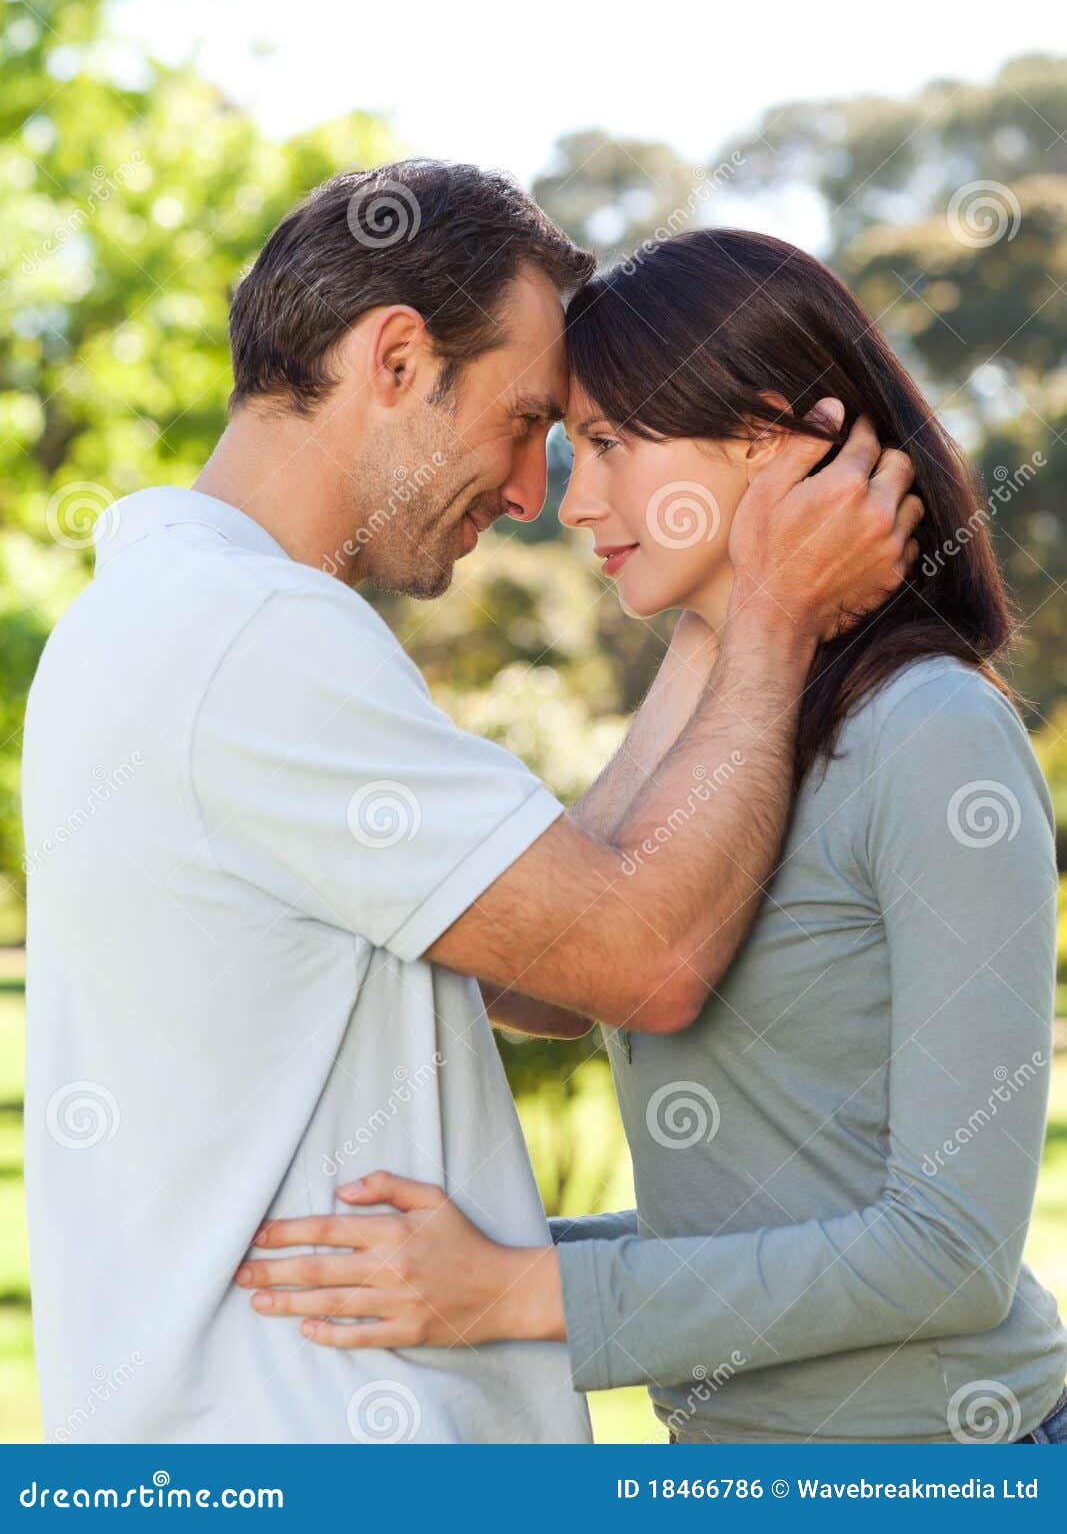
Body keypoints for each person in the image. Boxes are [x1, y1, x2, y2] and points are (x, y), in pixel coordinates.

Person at [23, 170, 914, 1444]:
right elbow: (642, 961)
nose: (527, 490)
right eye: (522, 421)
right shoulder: (258, 639)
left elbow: (550, 967)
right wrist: (773, 613)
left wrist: (713, 611)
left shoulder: (154, 617)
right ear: (393, 357)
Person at [243, 227, 1067, 1447]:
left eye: (613, 447)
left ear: (772, 435)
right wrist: (721, 630)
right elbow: (560, 984)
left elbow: (945, 1254)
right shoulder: (731, 741)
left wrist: (519, 1288)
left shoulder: (932, 736)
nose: (572, 502)